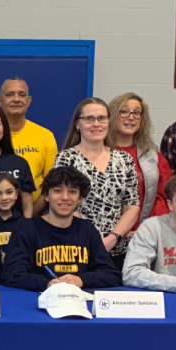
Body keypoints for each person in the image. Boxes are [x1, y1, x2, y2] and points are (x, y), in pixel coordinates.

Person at [1, 165, 123, 291]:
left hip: (78, 302)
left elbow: (111, 274)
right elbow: (11, 274)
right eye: (58, 191)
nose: (65, 197)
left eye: (72, 191)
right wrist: (46, 284)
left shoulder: (87, 229)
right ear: (46, 196)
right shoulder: (26, 228)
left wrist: (81, 280)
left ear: (80, 198)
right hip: (38, 301)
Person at [55, 97, 141, 265]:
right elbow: (60, 202)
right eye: (89, 119)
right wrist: (91, 239)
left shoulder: (124, 159)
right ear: (77, 124)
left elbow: (132, 206)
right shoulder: (66, 159)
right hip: (76, 246)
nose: (96, 124)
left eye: (102, 118)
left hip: (116, 250)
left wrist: (112, 239)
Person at [109, 92, 174, 228]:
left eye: (137, 113)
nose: (131, 117)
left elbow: (164, 198)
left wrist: (146, 230)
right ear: (112, 115)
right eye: (124, 111)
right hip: (102, 235)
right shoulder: (98, 153)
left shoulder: (154, 158)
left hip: (141, 235)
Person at [0, 77, 57, 189]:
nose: (16, 99)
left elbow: (51, 183)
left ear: (28, 101)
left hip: (37, 205)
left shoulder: (45, 136)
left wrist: (32, 207)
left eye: (22, 94)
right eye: (10, 94)